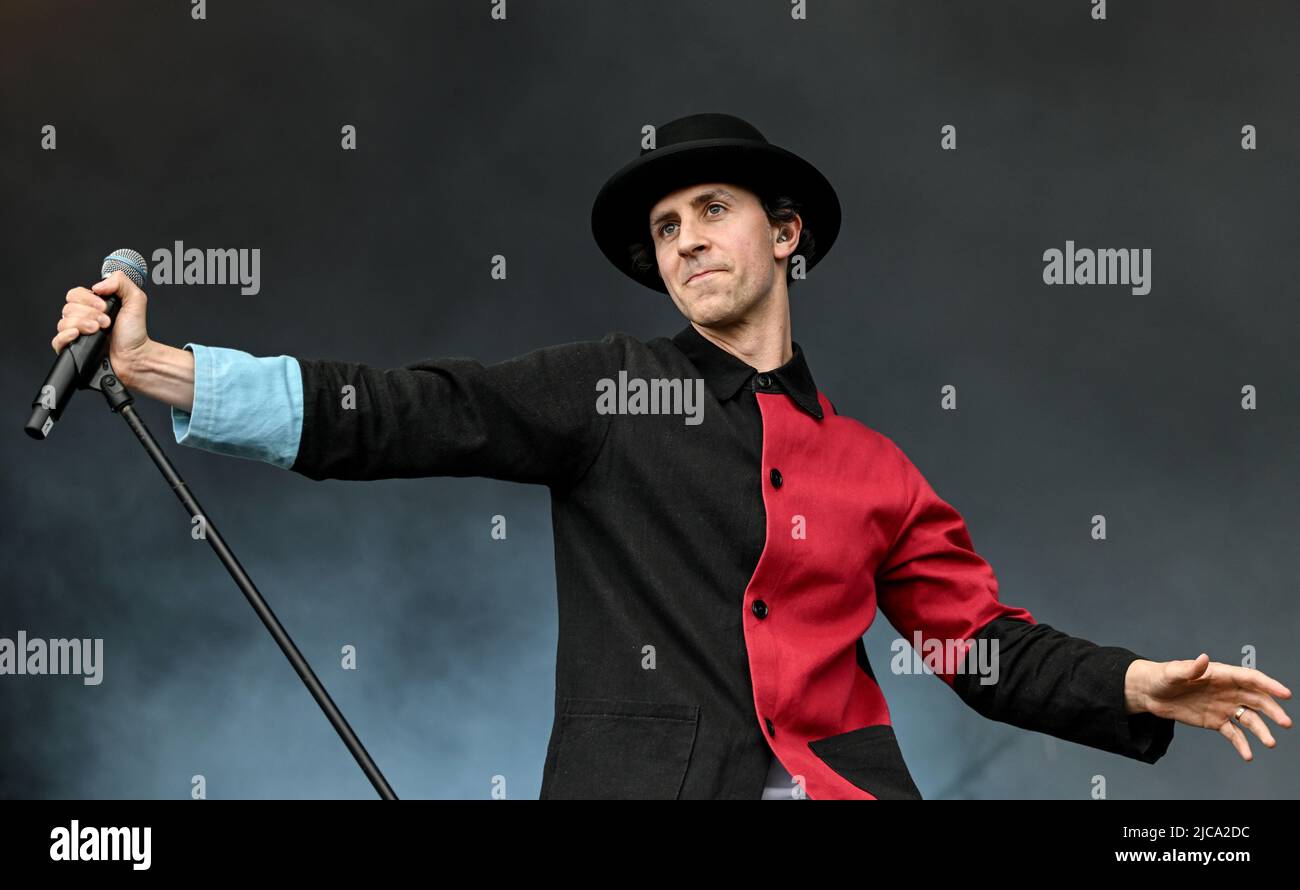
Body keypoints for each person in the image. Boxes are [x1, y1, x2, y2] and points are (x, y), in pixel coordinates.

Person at [53, 112, 1291, 799]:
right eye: (664, 227)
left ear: (784, 233)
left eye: (712, 210)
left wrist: (1130, 682)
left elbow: (977, 647)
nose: (686, 239)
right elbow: (395, 408)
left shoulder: (876, 467)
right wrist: (162, 369)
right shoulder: (603, 388)